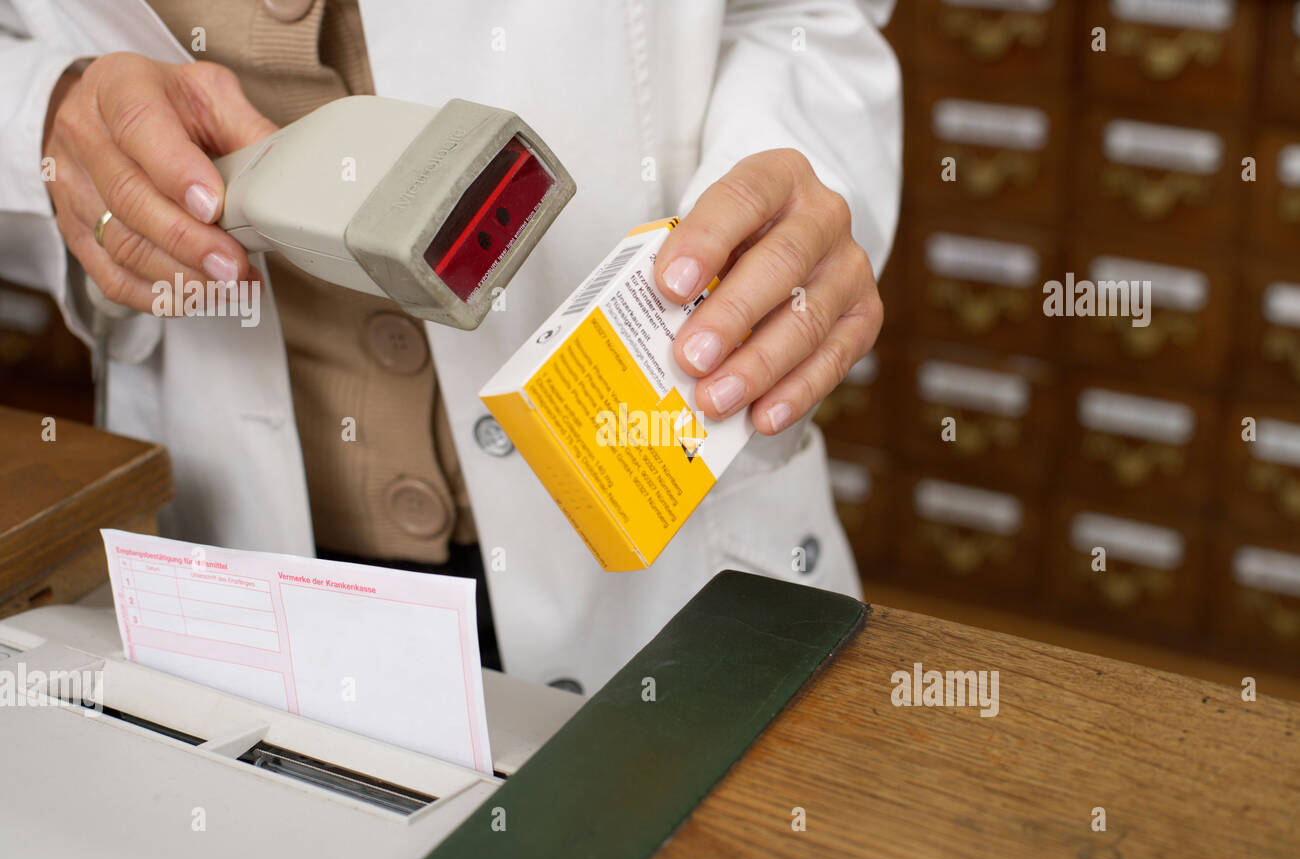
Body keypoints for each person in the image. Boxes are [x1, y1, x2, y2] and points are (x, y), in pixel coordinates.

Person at [0, 0, 900, 694]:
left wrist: (792, 188)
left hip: (659, 532)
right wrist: (43, 116)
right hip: (235, 537)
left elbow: (800, 15)